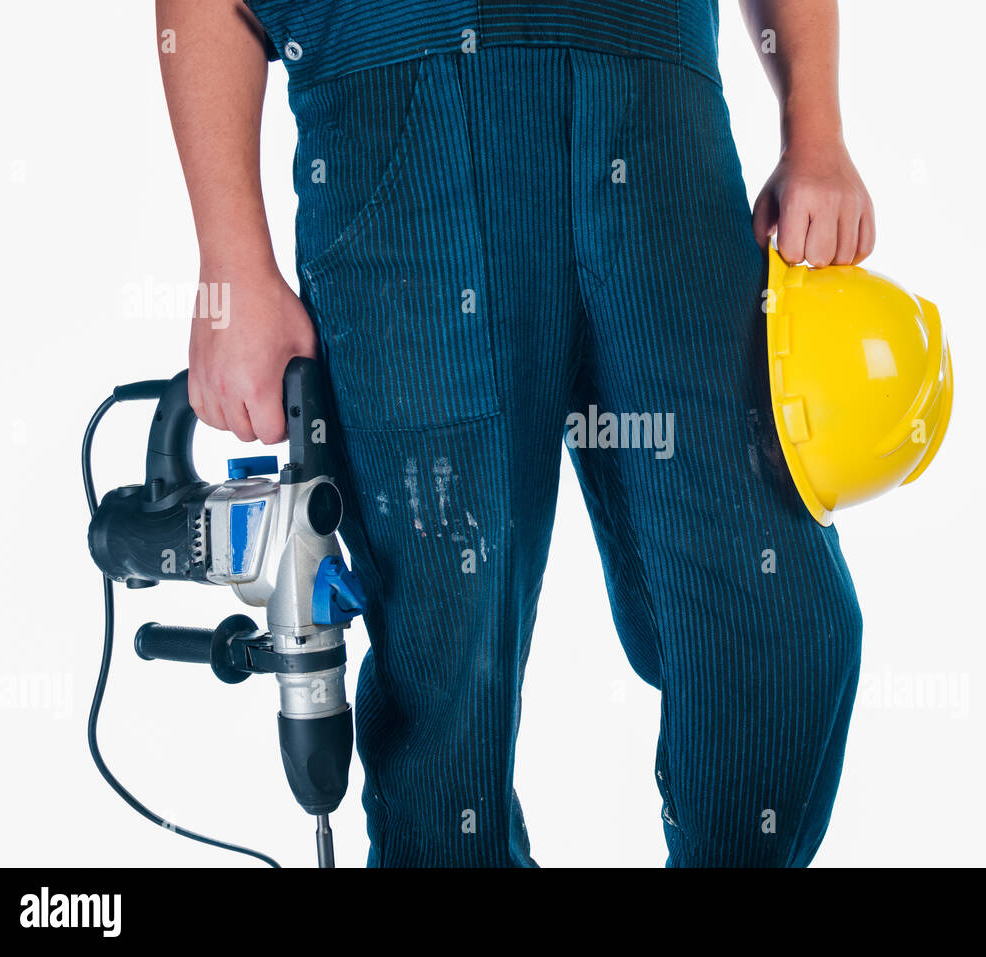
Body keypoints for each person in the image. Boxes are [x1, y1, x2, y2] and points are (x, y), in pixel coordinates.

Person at [157, 0, 873, 867]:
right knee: (445, 675)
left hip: (659, 113)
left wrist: (818, 129)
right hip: (402, 120)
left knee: (781, 627)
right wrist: (231, 264)